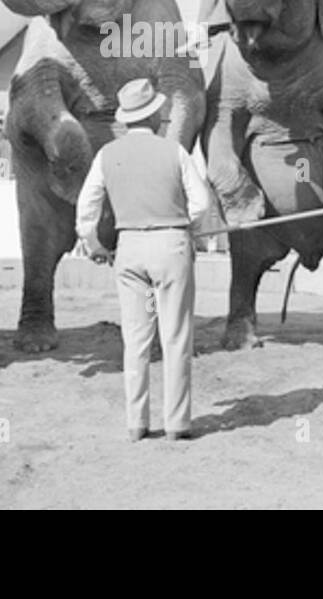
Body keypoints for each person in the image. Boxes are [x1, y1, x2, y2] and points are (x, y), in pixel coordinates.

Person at [75, 78, 216, 442]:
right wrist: (190, 228)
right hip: (171, 244)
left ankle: (137, 423)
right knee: (176, 337)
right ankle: (177, 424)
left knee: (135, 339)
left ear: (126, 119)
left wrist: (94, 245)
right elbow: (201, 203)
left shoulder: (107, 154)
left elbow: (86, 208)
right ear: (154, 116)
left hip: (128, 246)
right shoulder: (175, 152)